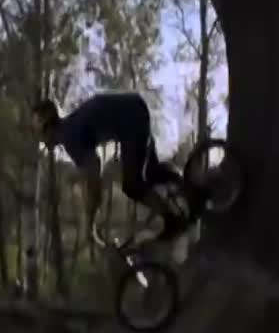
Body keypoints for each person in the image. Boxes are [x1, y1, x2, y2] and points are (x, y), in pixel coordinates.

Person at [31, 93, 186, 244]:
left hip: (131, 120)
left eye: (39, 133)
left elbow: (93, 173)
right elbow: (92, 172)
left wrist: (89, 221)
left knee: (132, 185)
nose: (41, 140)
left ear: (49, 127)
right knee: (152, 173)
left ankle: (174, 221)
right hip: (135, 109)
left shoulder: (69, 137)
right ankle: (185, 185)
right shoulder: (70, 128)